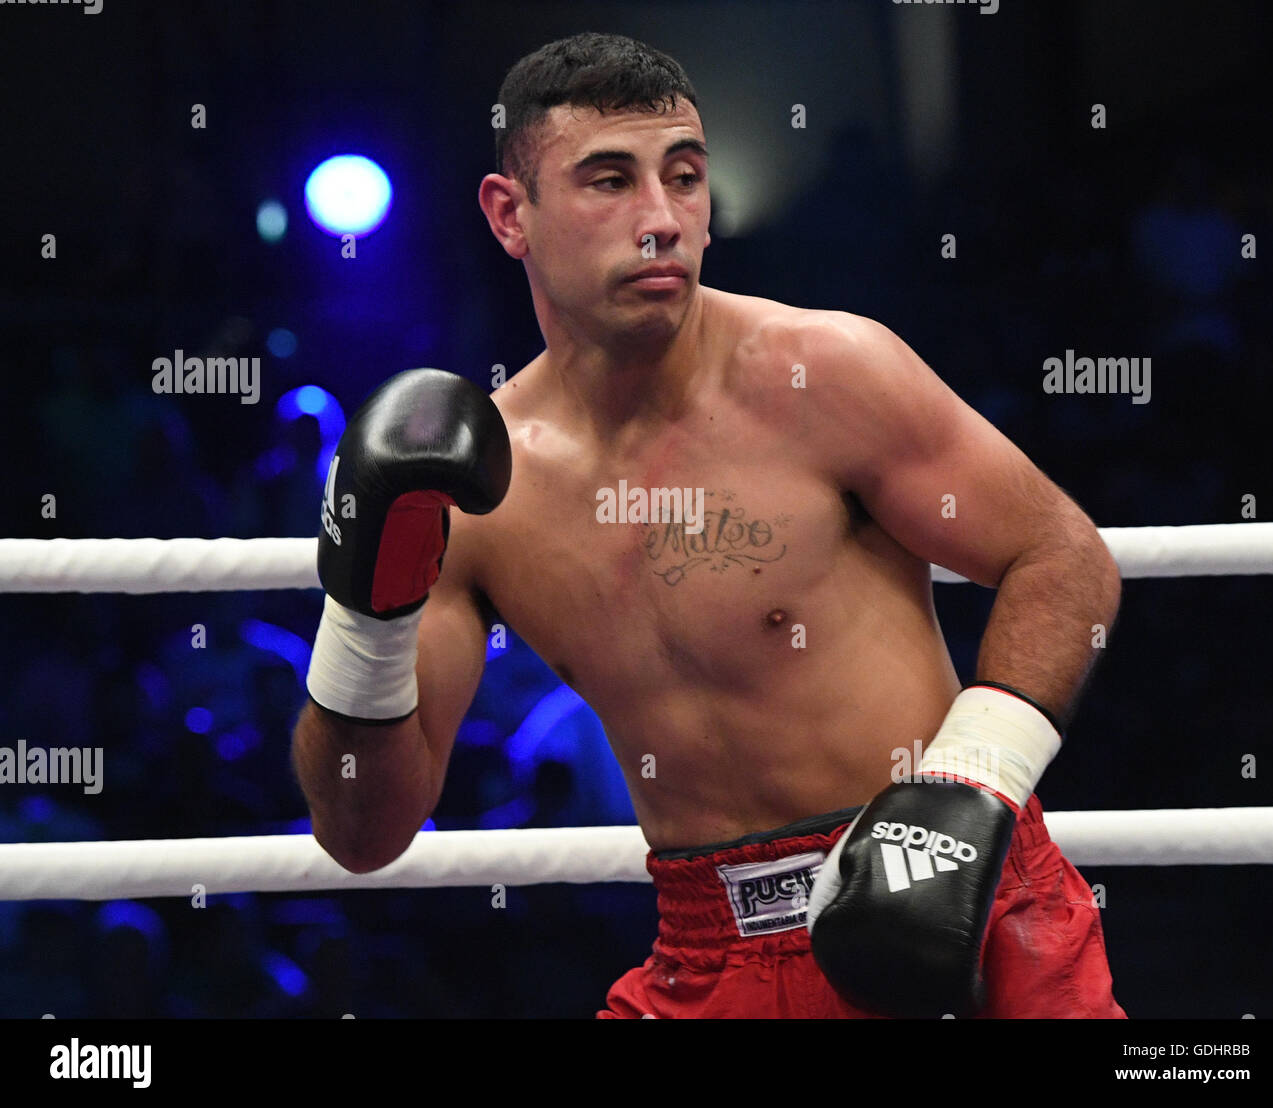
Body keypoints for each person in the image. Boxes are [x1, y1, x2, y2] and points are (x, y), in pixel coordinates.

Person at [291, 32, 1125, 1019]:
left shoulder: (827, 372)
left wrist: (969, 787)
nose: (660, 221)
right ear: (510, 214)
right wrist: (366, 619)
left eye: (683, 179)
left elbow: (1061, 552)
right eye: (609, 181)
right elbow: (362, 831)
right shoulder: (481, 490)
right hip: (711, 952)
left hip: (972, 903)